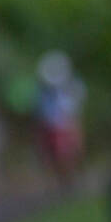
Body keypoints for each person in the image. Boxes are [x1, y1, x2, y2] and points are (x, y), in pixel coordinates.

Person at [34, 50, 85, 182]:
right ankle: (59, 179)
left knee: (68, 153)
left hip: (64, 125)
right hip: (50, 126)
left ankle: (69, 177)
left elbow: (73, 106)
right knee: (51, 155)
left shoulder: (70, 88)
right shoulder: (43, 92)